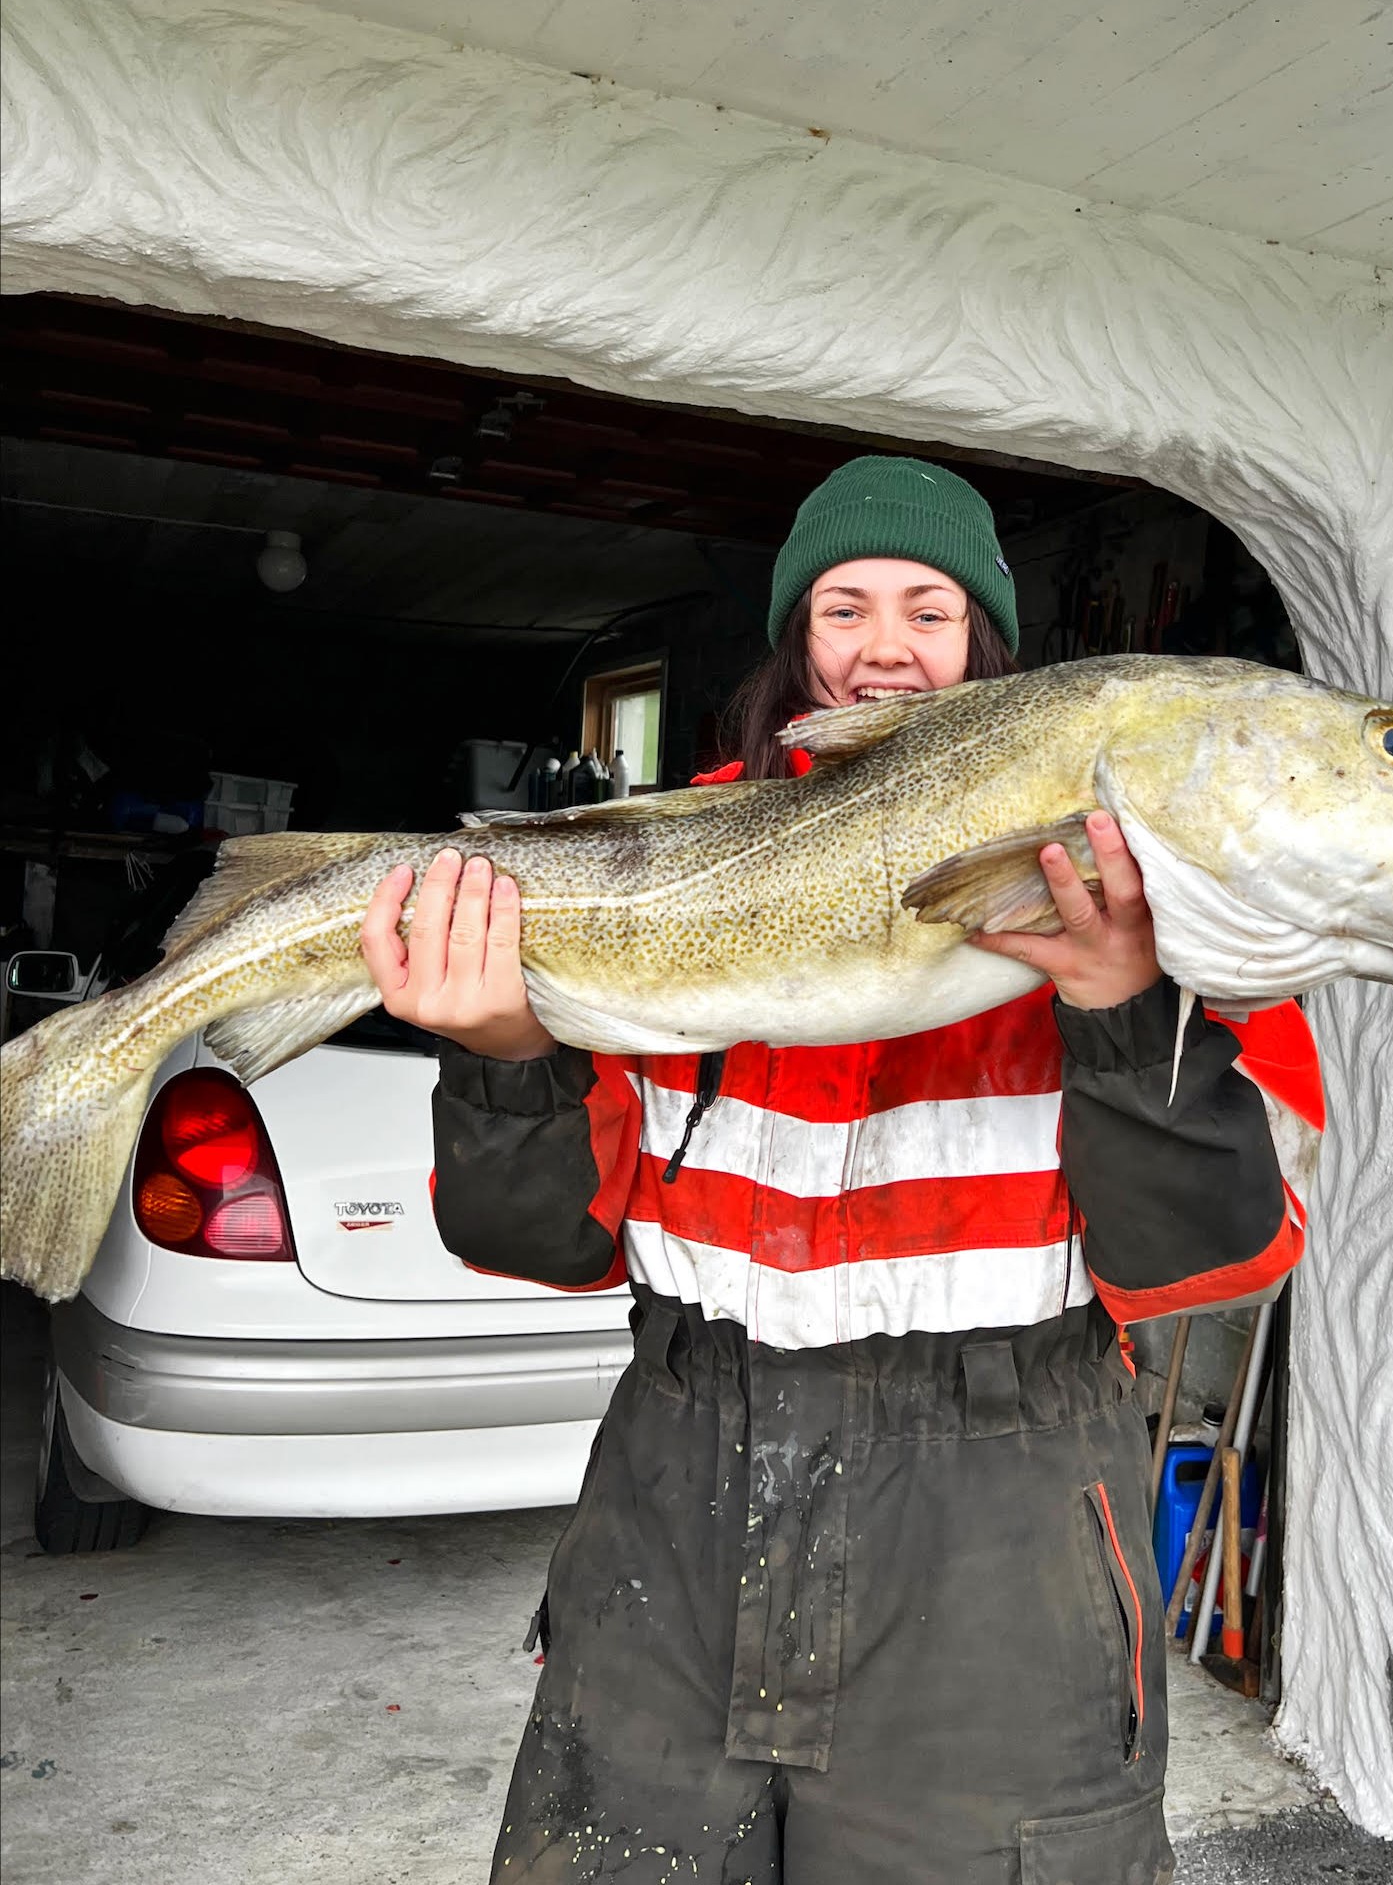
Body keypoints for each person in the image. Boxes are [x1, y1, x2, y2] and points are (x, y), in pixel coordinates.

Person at [360, 455, 1320, 1885]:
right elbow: (540, 1241)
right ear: (794, 643)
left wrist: (1119, 1010)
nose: (886, 646)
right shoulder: (676, 867)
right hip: (675, 1504)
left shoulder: (1147, 896)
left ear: (987, 647)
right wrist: (503, 1045)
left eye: (930, 612)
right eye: (846, 607)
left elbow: (1205, 1259)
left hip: (999, 1536)